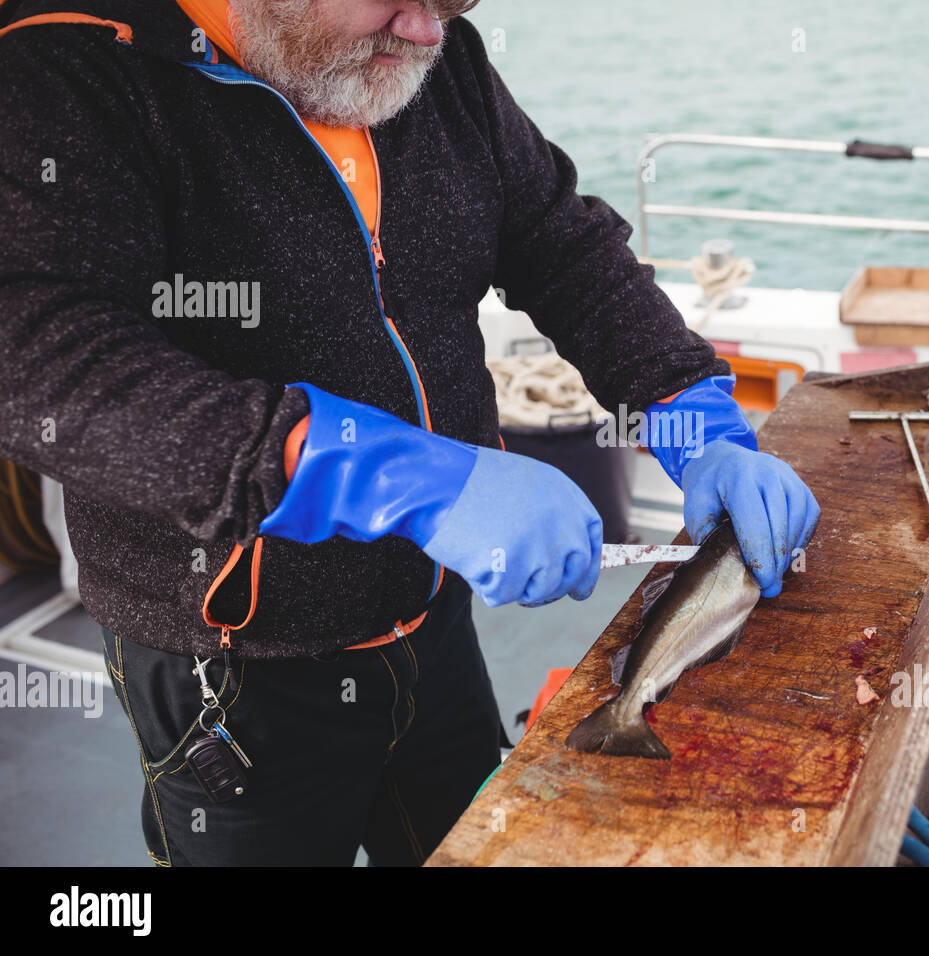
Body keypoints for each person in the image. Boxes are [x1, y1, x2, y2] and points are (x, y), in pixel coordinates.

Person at [0, 0, 820, 865]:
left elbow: (562, 246)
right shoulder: (67, 72)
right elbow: (40, 359)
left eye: (456, 1)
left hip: (435, 618)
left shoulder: (439, 61)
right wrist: (384, 475)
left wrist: (692, 413)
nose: (432, 32)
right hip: (238, 673)